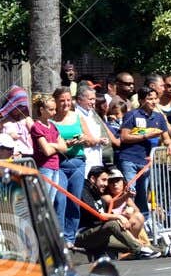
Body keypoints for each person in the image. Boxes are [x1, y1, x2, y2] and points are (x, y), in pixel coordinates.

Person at [76, 167, 160, 259]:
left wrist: (132, 238)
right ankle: (139, 250)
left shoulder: (97, 190)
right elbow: (97, 214)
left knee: (136, 242)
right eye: (104, 180)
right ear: (92, 179)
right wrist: (119, 216)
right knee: (113, 224)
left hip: (101, 234)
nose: (106, 184)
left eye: (107, 180)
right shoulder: (83, 190)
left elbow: (133, 211)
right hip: (83, 235)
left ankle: (163, 250)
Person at [118, 86, 171, 211]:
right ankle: (128, 218)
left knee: (143, 192)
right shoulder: (132, 115)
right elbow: (124, 137)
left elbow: (166, 137)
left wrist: (170, 145)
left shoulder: (159, 117)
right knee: (131, 191)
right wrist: (146, 135)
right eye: (150, 99)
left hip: (146, 162)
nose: (154, 101)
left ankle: (144, 219)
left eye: (155, 98)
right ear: (142, 100)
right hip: (129, 159)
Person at [53, 87, 89, 247]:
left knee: (74, 201)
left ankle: (70, 238)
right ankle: (59, 236)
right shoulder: (51, 120)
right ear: (56, 101)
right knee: (59, 200)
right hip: (59, 163)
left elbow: (89, 139)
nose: (66, 103)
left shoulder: (77, 116)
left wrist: (82, 139)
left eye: (68, 100)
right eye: (62, 100)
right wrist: (64, 144)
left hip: (78, 162)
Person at [30, 94, 68, 235]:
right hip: (44, 167)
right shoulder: (36, 127)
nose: (54, 112)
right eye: (51, 110)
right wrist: (55, 145)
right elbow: (46, 151)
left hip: (55, 166)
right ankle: (40, 232)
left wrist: (52, 145)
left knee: (51, 202)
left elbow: (64, 148)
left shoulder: (53, 126)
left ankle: (47, 232)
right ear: (41, 109)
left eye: (54, 109)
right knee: (44, 202)